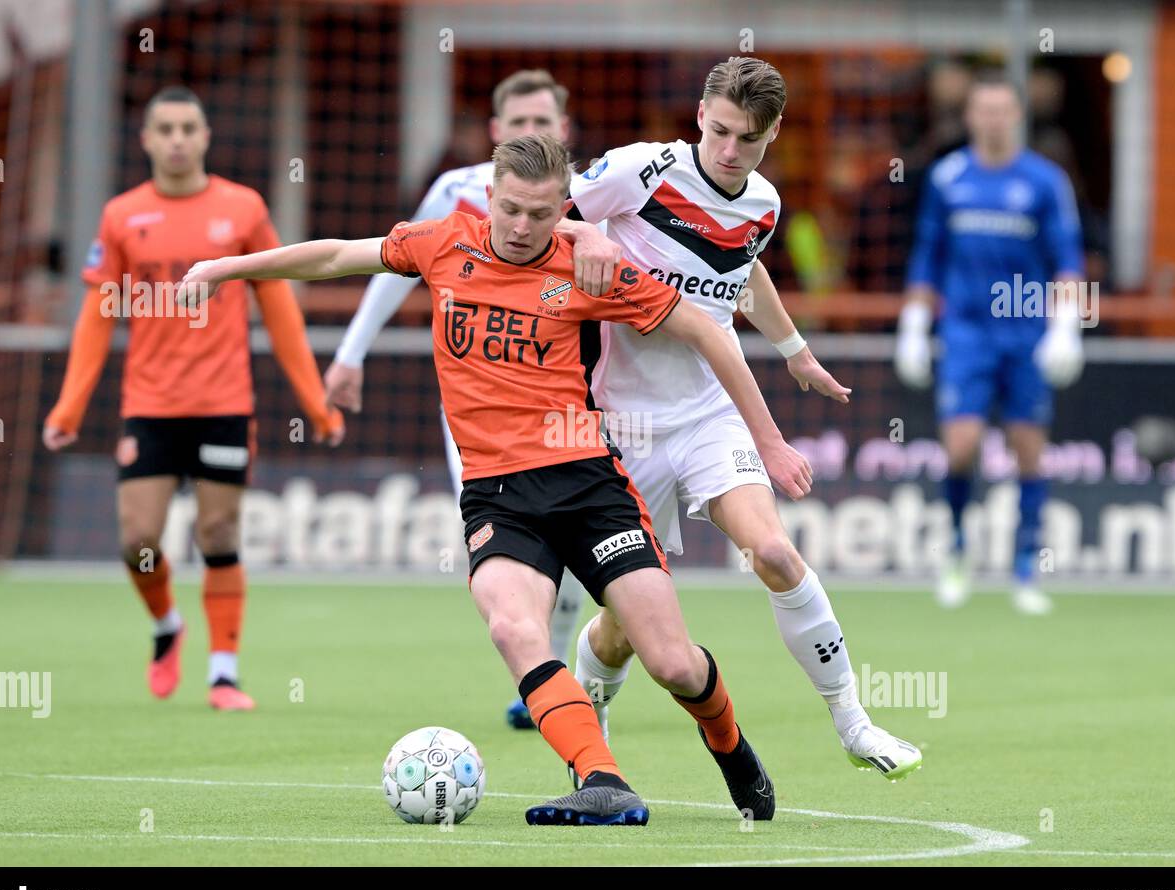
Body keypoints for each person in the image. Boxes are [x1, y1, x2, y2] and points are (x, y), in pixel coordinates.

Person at [176, 133, 814, 825]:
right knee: (514, 628)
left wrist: (768, 437)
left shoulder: (589, 266)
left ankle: (731, 747)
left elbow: (706, 329)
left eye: (541, 214)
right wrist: (225, 266)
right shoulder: (443, 242)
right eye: (510, 209)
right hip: (498, 495)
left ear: (562, 209)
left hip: (590, 487)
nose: (521, 227)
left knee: (673, 665)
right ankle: (602, 778)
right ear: (489, 197)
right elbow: (336, 254)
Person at [563, 57, 922, 782]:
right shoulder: (638, 171)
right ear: (700, 114)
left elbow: (743, 267)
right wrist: (589, 236)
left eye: (748, 140)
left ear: (773, 134)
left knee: (778, 555)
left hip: (707, 416)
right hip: (625, 426)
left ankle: (853, 722)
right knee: (625, 629)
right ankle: (593, 716)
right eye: (720, 131)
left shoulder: (763, 202)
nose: (729, 151)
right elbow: (540, 218)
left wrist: (794, 351)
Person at [43, 87, 345, 711]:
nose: (178, 139)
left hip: (223, 402)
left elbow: (280, 307)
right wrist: (69, 407)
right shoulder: (122, 216)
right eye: (166, 129)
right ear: (148, 139)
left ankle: (224, 674)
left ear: (205, 136)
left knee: (216, 532)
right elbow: (98, 317)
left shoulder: (242, 209)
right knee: (139, 541)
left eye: (188, 127)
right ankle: (165, 627)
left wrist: (315, 401)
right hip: (150, 405)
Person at [324, 69, 587, 731]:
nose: (532, 134)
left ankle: (566, 661)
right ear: (497, 133)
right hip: (479, 404)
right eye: (519, 124)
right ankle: (539, 675)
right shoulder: (458, 192)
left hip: (576, 397)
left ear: (565, 130)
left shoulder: (593, 193)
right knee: (502, 533)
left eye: (544, 124)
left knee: (578, 535)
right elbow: (396, 265)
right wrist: (352, 352)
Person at [893, 73, 1087, 614]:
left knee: (1029, 452)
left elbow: (1068, 259)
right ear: (971, 116)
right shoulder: (949, 178)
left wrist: (1066, 326)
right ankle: (957, 550)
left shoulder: (1046, 181)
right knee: (961, 447)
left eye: (1004, 110)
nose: (994, 119)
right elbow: (927, 256)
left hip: (1025, 332)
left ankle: (1026, 568)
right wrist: (913, 325)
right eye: (985, 110)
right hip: (967, 333)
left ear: (1018, 116)